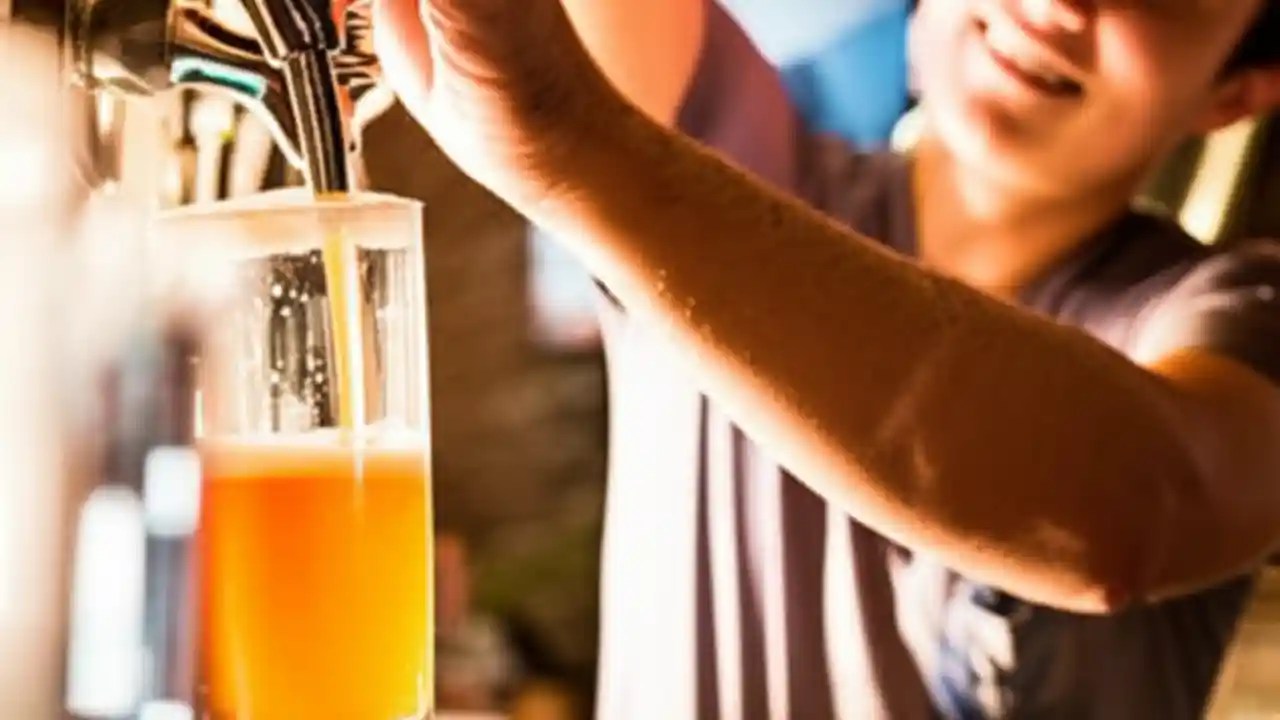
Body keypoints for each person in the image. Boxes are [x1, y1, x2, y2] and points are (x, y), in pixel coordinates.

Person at [371, 0, 1280, 716]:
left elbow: (1132, 504)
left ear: (1236, 91)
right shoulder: (731, 178)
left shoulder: (1236, 321)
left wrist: (572, 141)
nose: (1061, 4)